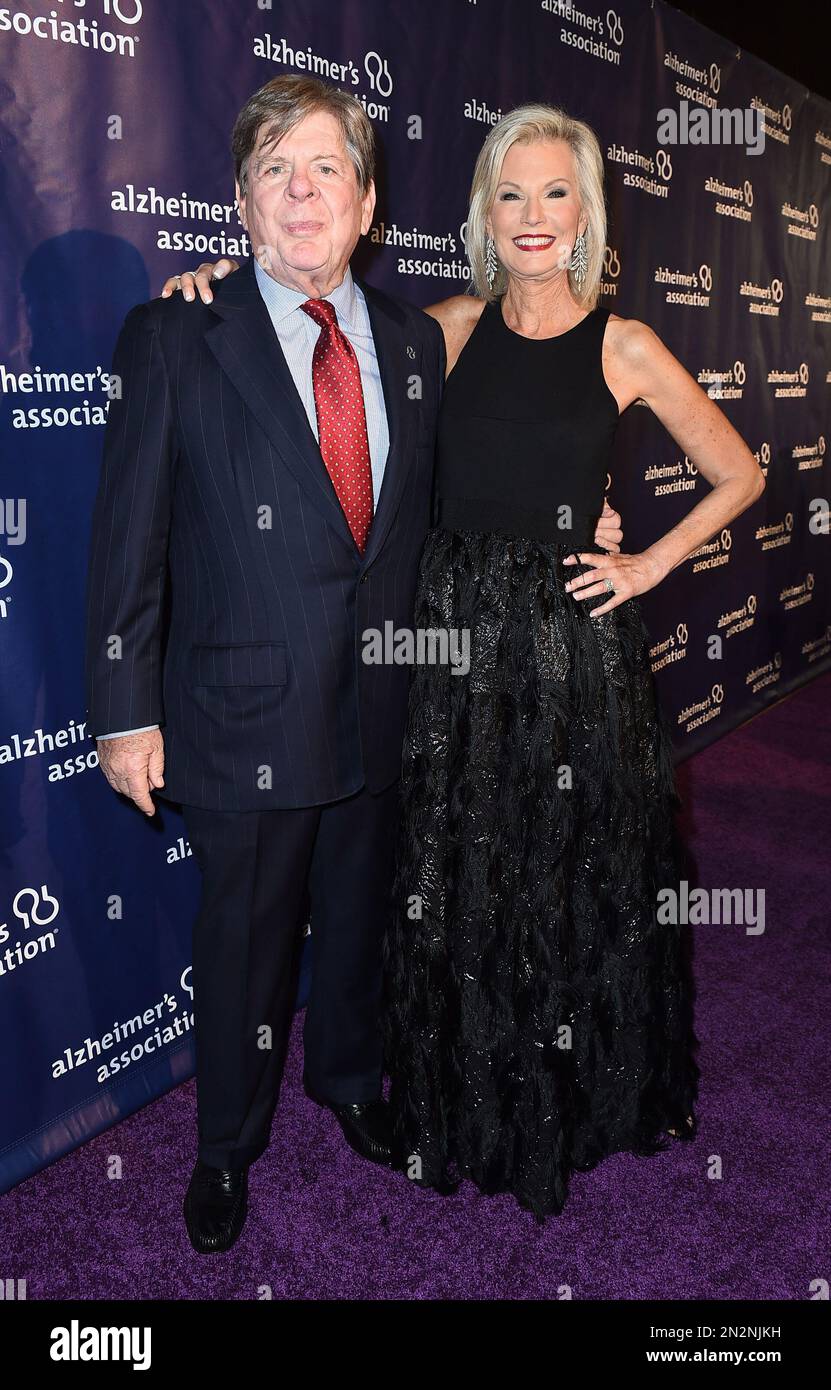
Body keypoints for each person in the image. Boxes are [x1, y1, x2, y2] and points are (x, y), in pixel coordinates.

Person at [85, 76, 624, 1254]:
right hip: (240, 716)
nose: (302, 191)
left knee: (366, 921)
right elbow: (126, 542)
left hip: (388, 708)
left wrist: (596, 518)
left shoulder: (417, 344)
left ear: (370, 202)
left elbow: (461, 501)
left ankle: (349, 1083)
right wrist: (124, 712)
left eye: (327, 168)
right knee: (242, 952)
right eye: (276, 169)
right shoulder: (177, 330)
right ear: (240, 201)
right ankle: (224, 1150)